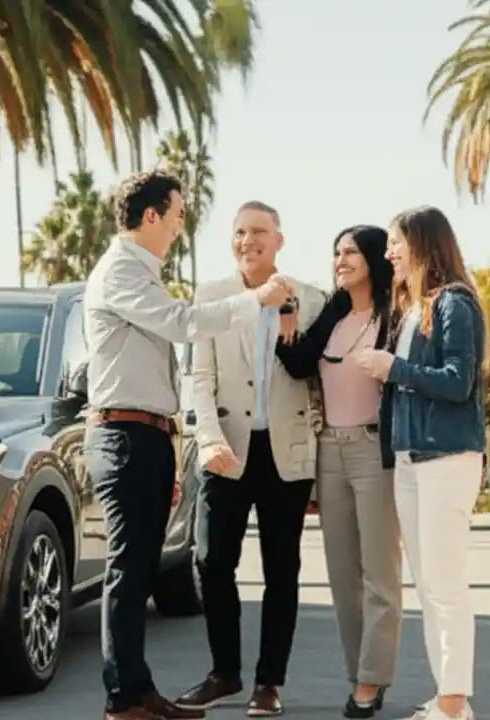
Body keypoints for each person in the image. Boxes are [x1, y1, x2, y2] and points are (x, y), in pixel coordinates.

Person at [83, 172, 296, 720]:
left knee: (138, 570)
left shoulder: (142, 274)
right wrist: (255, 301)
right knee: (129, 572)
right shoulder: (122, 273)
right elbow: (182, 325)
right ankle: (125, 698)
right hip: (126, 434)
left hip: (148, 434)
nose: (181, 226)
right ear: (151, 215)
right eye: (177, 214)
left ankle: (137, 690)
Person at [174, 201, 325, 718]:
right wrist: (210, 439)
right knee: (213, 562)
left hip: (288, 454)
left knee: (283, 570)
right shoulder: (212, 298)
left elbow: (315, 377)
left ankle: (268, 684)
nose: (248, 240)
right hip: (228, 450)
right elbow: (200, 378)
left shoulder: (311, 297)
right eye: (240, 232)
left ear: (279, 240)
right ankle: (224, 674)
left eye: (259, 231)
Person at [351, 206, 488, 720]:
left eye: (395, 242)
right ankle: (447, 696)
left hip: (446, 458)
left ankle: (453, 705)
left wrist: (393, 368)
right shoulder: (412, 309)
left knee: (445, 582)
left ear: (422, 244)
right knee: (429, 583)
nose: (388, 253)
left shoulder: (455, 303)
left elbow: (458, 381)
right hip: (411, 460)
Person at [272, 225, 402, 719]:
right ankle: (360, 676)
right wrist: (285, 320)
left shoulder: (395, 317)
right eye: (336, 252)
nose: (340, 259)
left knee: (380, 574)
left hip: (374, 450)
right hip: (330, 452)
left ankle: (372, 681)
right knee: (342, 575)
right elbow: (299, 363)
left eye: (350, 251)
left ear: (373, 258)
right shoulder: (334, 314)